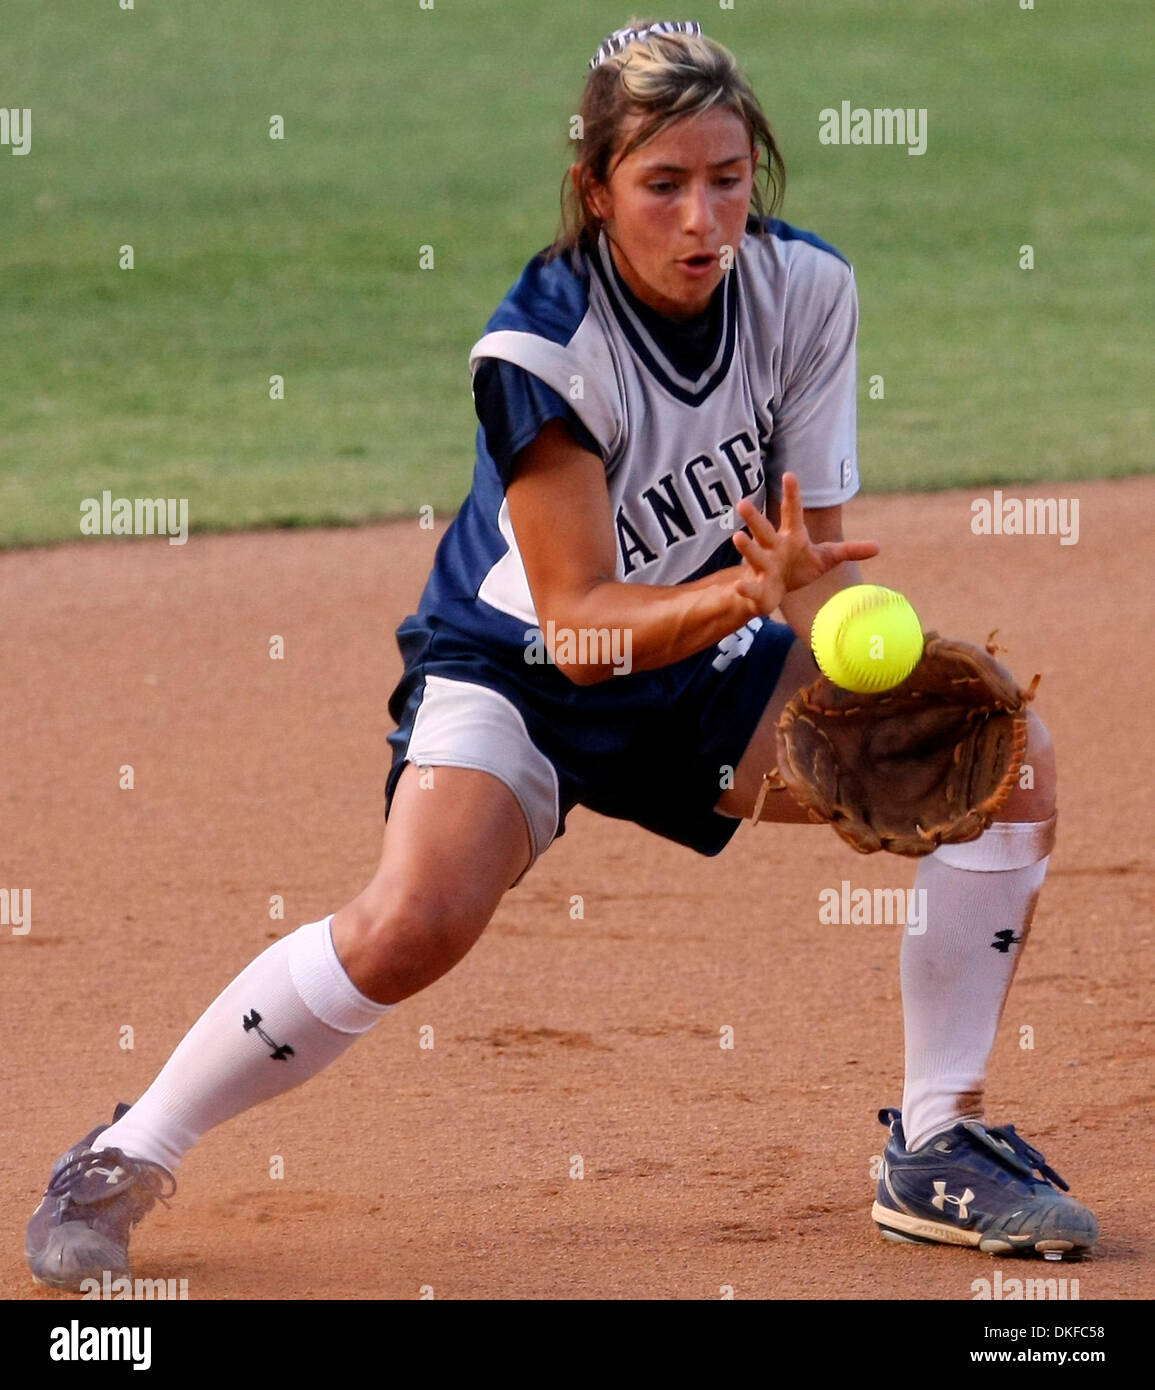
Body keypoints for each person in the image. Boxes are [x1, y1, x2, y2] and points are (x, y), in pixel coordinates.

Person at [25, 18, 1097, 1292]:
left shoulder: (807, 290)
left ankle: (936, 1140)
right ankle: (123, 1155)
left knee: (997, 761)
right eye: (663, 185)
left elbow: (806, 558)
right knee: (409, 923)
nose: (704, 219)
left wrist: (852, 678)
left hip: (705, 664)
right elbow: (582, 630)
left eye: (729, 178)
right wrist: (740, 602)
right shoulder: (540, 351)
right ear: (597, 193)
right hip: (518, 675)